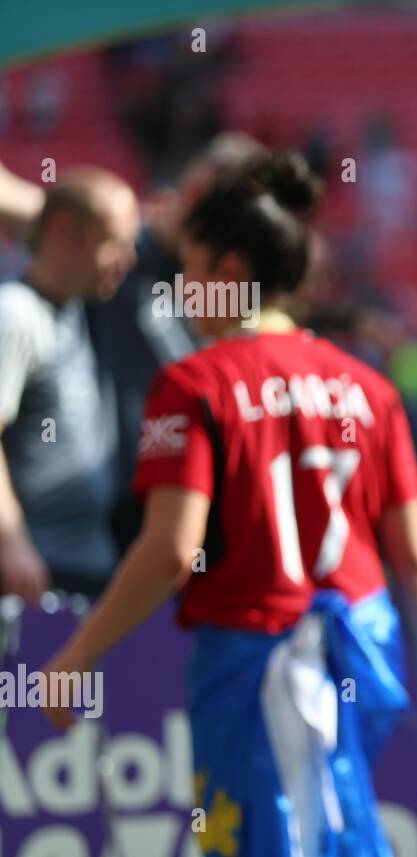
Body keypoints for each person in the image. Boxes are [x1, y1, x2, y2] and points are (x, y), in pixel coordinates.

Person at [39, 150, 417, 857]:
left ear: (230, 273)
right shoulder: (369, 387)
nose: (180, 289)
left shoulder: (192, 384)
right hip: (358, 653)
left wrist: (79, 654)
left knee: (259, 852)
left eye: (192, 268)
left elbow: (173, 550)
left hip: (253, 663)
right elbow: (416, 561)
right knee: (331, 844)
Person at [89, 132, 267, 553]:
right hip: (114, 502)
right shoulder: (115, 256)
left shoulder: (223, 279)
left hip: (193, 494)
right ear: (196, 192)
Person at [0, 167, 139, 600]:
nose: (127, 259)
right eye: (114, 242)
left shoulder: (79, 309)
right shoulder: (17, 314)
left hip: (88, 568)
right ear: (62, 230)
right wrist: (11, 542)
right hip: (36, 577)